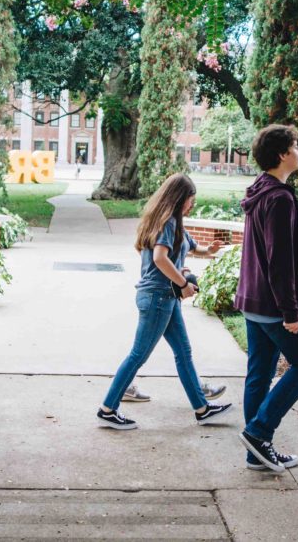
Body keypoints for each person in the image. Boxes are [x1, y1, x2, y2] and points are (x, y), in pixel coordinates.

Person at [97, 173, 232, 430]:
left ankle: (202, 409)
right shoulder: (167, 223)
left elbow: (191, 248)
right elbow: (160, 258)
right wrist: (182, 283)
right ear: (179, 198)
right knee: (138, 355)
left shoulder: (172, 223)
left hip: (165, 298)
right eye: (190, 200)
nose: (192, 205)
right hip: (158, 297)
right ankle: (108, 409)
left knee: (183, 352)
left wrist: (208, 251)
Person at [234, 125, 298, 473]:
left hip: (254, 302)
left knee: (259, 373)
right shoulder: (280, 199)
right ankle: (259, 433)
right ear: (282, 154)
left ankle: (255, 451)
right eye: (296, 146)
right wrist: (292, 311)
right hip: (275, 307)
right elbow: (279, 261)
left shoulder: (261, 191)